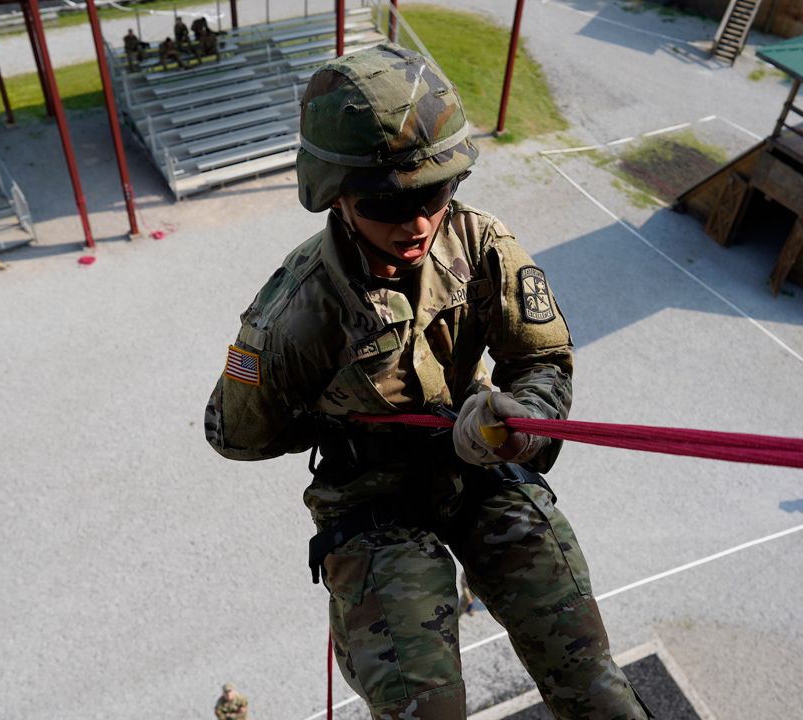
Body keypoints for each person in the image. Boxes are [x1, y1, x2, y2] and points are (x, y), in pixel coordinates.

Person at [203, 44, 650, 718]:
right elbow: (233, 433)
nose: (415, 222)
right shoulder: (297, 311)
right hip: (371, 502)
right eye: (386, 201)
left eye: (433, 192)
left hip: (479, 472)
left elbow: (542, 362)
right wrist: (329, 417)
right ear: (337, 196)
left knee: (593, 686)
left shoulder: (480, 245)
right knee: (423, 708)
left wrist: (511, 423)